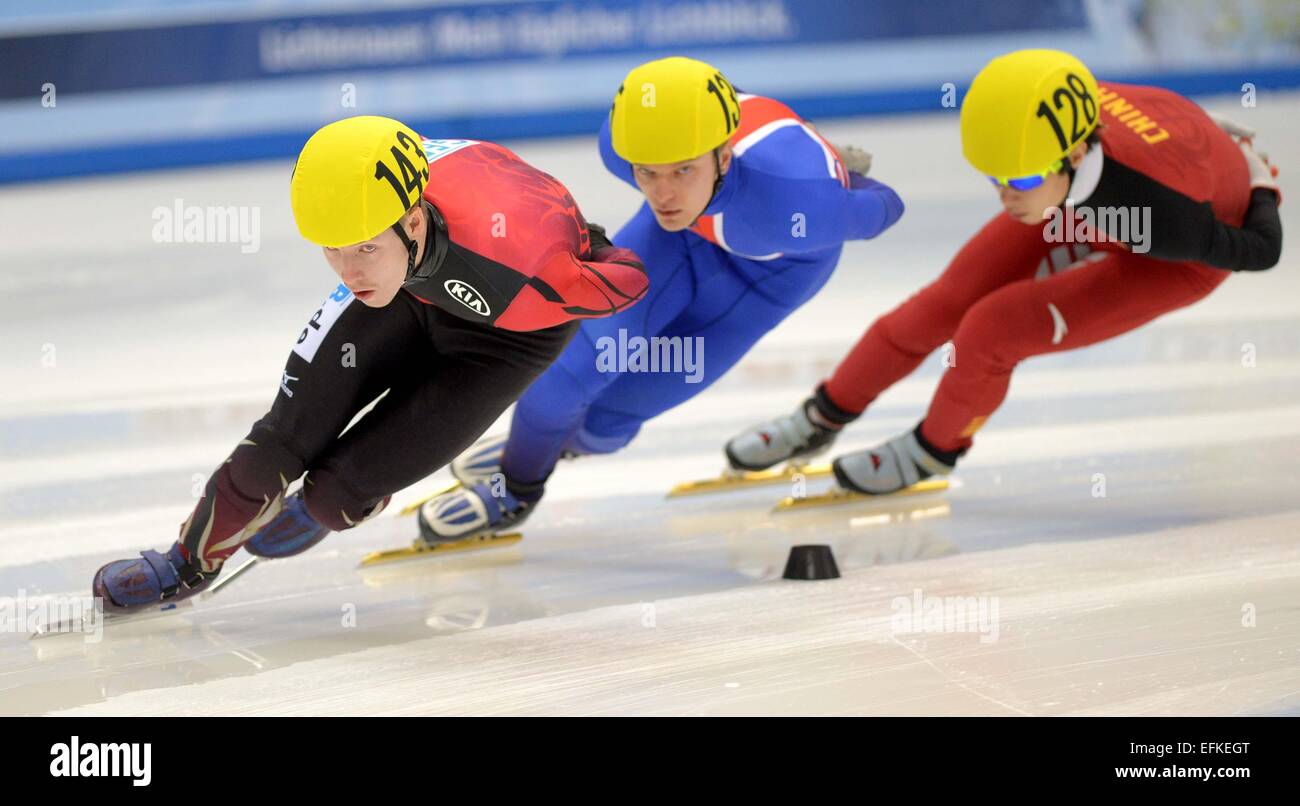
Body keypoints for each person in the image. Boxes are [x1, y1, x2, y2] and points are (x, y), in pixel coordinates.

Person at [92, 116, 648, 613]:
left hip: (503, 342)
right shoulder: (372, 208)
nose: (346, 272)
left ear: (411, 220)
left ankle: (330, 501)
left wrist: (587, 249)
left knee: (335, 497)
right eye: (332, 249)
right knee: (283, 439)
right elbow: (285, 430)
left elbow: (631, 279)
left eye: (362, 249)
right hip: (408, 290)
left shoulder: (530, 266)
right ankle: (185, 564)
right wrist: (375, 258)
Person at [725, 49, 1283, 495]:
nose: (1004, 197)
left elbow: (1263, 250)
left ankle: (933, 450)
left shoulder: (1164, 215)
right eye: (993, 178)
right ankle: (820, 417)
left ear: (1072, 157)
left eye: (1016, 182)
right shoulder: (1050, 143)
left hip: (1175, 252)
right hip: (1092, 200)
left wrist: (1259, 183)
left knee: (993, 329)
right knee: (943, 302)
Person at [420, 56, 904, 542]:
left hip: (769, 273)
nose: (663, 192)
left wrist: (845, 179)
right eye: (647, 173)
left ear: (725, 155)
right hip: (680, 236)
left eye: (682, 171)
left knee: (611, 421)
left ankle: (561, 443)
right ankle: (517, 488)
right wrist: (680, 179)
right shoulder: (622, 144)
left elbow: (889, 208)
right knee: (562, 381)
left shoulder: (799, 203)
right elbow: (672, 154)